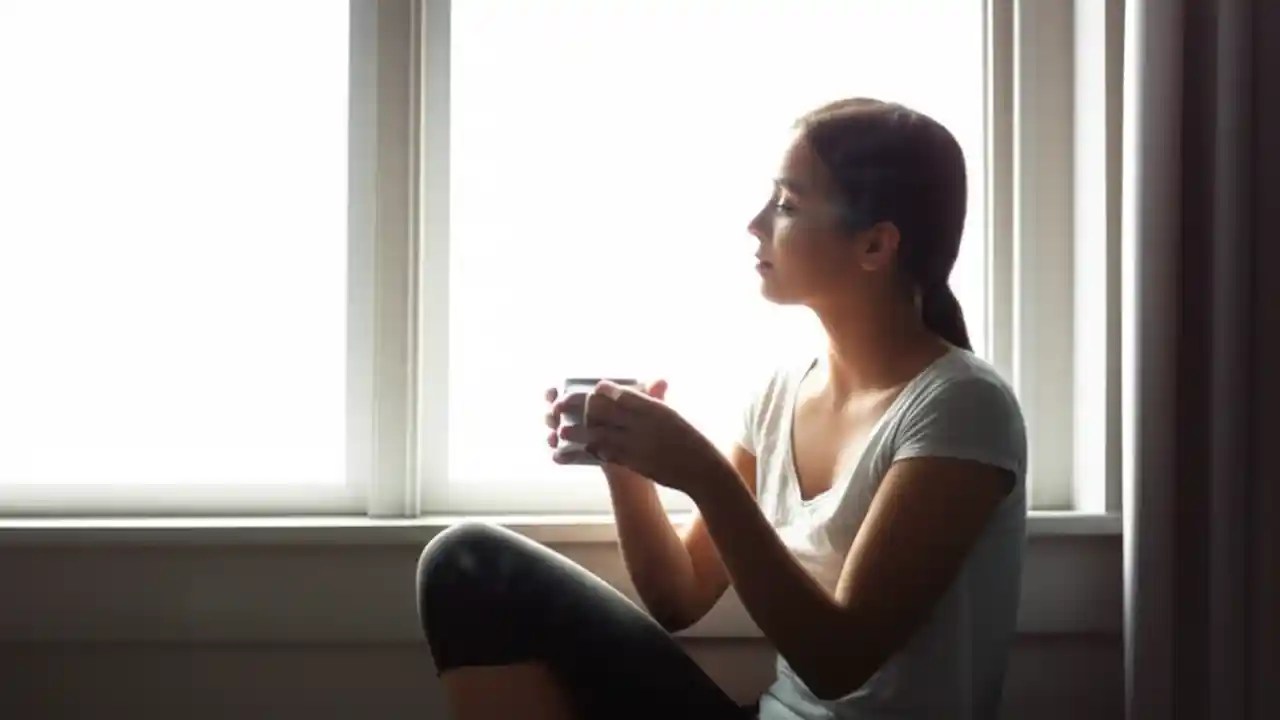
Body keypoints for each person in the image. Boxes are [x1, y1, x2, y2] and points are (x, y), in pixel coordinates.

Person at [416, 97, 1028, 720]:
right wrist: (627, 468)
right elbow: (678, 598)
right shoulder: (780, 393)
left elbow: (838, 662)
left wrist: (706, 475)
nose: (756, 223)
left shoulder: (961, 405)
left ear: (875, 245)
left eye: (787, 205)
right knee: (467, 566)